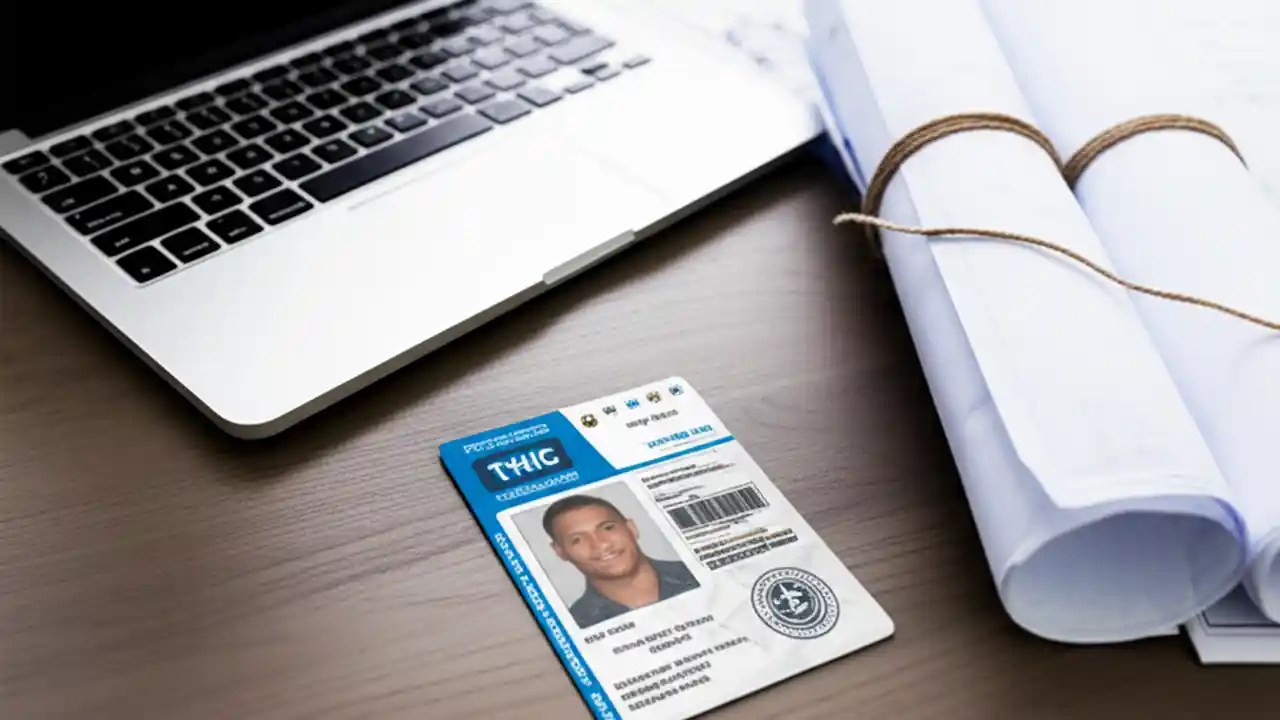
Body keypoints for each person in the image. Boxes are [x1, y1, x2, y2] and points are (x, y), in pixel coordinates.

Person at [542, 494, 699, 628]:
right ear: (560, 552)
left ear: (631, 529)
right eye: (577, 540)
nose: (601, 544)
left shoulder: (700, 571)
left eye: (608, 528)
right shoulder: (577, 624)